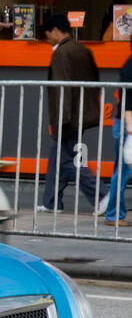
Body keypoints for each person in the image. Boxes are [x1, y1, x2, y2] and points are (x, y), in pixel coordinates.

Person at [38, 13, 101, 213]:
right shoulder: (83, 50)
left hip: (69, 118)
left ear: (55, 30)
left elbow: (61, 90)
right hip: (83, 114)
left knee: (68, 160)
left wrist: (60, 122)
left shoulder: (61, 53)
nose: (47, 40)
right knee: (57, 156)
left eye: (47, 35)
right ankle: (51, 202)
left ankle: (102, 197)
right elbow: (96, 81)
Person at [104, 40, 132, 226]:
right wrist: (130, 126)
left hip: (125, 122)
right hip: (127, 123)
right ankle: (113, 214)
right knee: (122, 170)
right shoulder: (130, 66)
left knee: (122, 170)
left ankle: (114, 213)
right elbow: (128, 99)